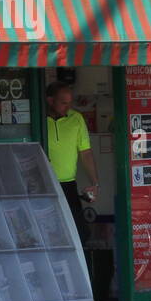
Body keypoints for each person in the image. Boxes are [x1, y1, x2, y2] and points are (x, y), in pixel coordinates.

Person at [44, 81, 99, 246]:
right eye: (63, 103)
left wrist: (95, 184)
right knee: (48, 233)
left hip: (68, 185)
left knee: (79, 233)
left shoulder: (76, 119)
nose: (68, 107)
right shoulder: (39, 118)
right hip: (43, 185)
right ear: (50, 100)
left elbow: (86, 153)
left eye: (70, 103)